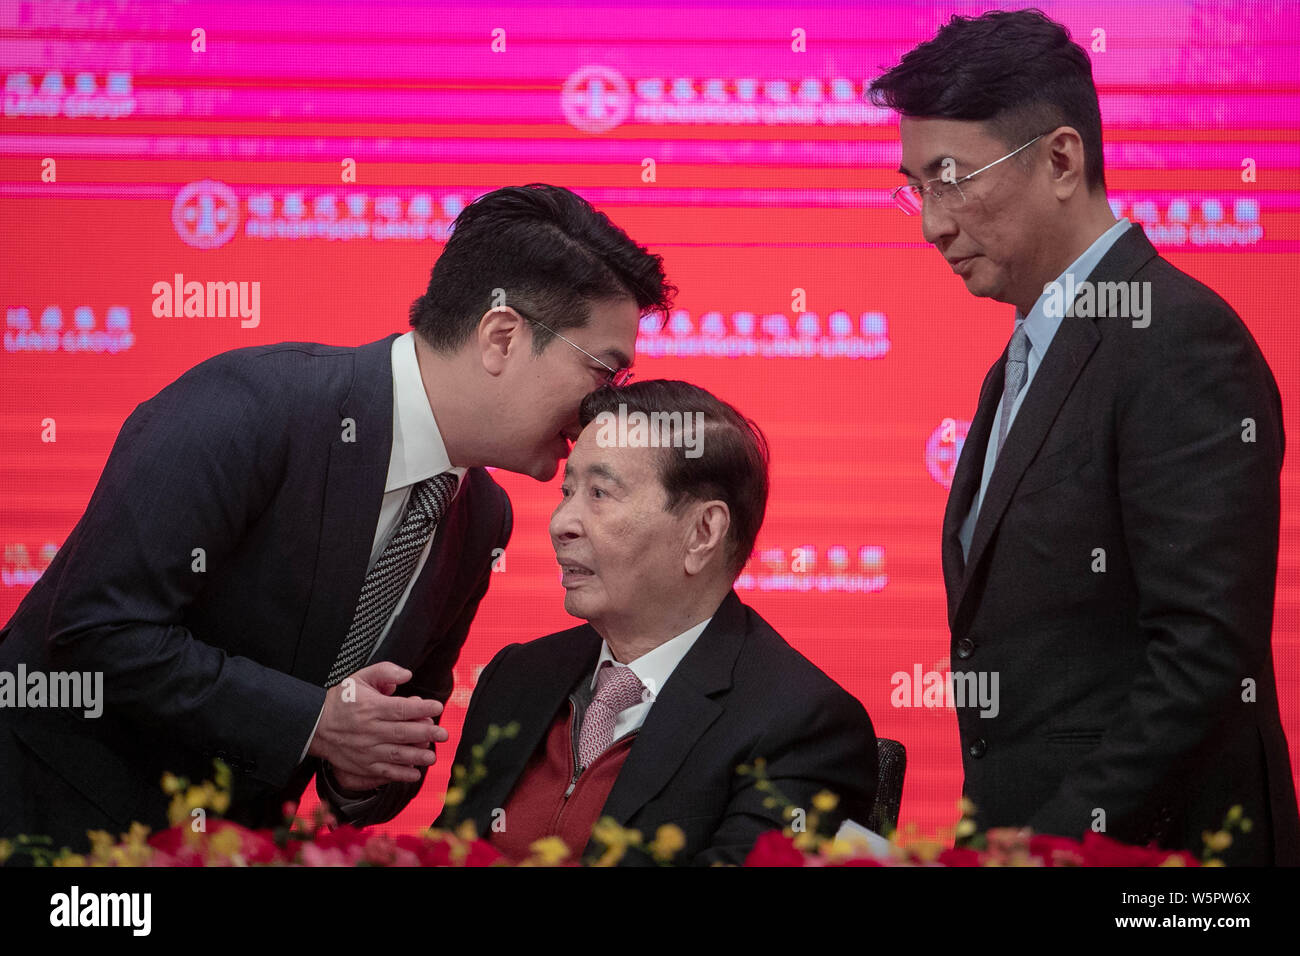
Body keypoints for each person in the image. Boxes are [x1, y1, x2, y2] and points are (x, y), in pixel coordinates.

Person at [0, 184, 674, 851]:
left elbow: (389, 749)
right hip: (46, 822)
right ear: (501, 336)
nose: (603, 412)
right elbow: (94, 631)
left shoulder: (481, 518)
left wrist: (360, 768)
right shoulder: (252, 408)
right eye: (602, 375)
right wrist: (314, 722)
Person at [870, 9, 1299, 864]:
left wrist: (1058, 842)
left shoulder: (1177, 338)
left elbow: (1205, 654)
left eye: (952, 178)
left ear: (1062, 160)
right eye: (917, 186)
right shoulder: (1029, 354)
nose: (931, 224)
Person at [435, 381, 877, 865]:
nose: (561, 522)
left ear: (702, 532)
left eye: (600, 493)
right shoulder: (519, 676)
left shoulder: (800, 723)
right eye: (568, 491)